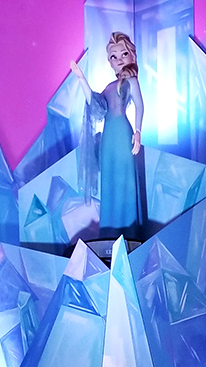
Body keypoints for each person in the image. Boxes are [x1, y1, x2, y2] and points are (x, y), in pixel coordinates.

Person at [71, 32, 144, 239]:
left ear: (132, 55)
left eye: (123, 54)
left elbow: (140, 105)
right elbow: (96, 105)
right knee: (110, 181)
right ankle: (110, 233)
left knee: (124, 180)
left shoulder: (131, 81)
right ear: (109, 62)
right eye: (114, 56)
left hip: (122, 135)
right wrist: (81, 78)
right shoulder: (109, 87)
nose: (119, 59)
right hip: (108, 139)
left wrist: (138, 131)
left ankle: (128, 232)